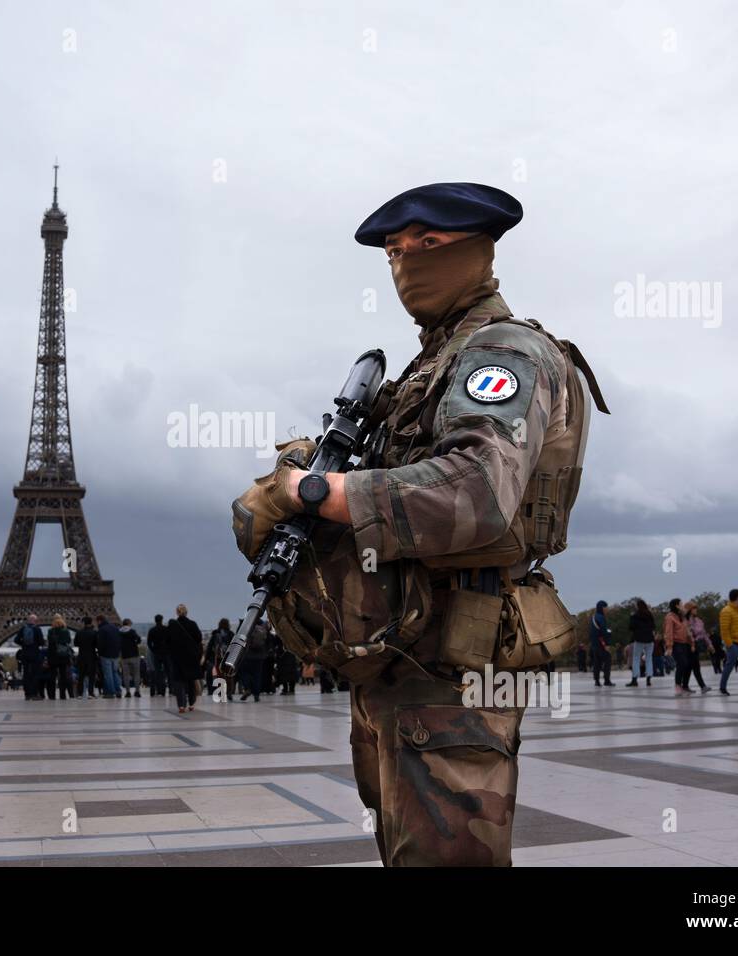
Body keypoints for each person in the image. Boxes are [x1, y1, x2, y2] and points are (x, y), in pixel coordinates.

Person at [230, 183, 607, 866]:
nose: (407, 263)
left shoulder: (503, 353)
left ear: (478, 249)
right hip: (405, 656)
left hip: (453, 669)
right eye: (395, 252)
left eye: (428, 246)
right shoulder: (434, 362)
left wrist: (311, 490)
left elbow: (477, 490)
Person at [166, 604, 202, 713]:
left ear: (177, 612)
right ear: (187, 612)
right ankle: (191, 703)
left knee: (179, 681)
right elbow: (199, 638)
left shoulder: (172, 626)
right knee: (191, 680)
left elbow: (168, 642)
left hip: (177, 657)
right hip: (191, 657)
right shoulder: (192, 624)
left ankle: (181, 705)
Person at [12, 613, 46, 701]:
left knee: (26, 674)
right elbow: (42, 642)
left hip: (25, 654)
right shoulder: (37, 629)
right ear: (35, 621)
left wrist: (23, 644)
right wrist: (36, 644)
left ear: (28, 620)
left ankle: (27, 694)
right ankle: (34, 694)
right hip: (34, 654)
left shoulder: (23, 628)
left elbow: (16, 640)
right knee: (35, 674)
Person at [239, 616, 269, 701]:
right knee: (257, 675)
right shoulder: (263, 627)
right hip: (259, 656)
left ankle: (247, 688)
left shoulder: (246, 626)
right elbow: (268, 641)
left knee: (244, 672)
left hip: (247, 655)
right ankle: (256, 695)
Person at [626, 599, 656, 686]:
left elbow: (631, 627)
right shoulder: (650, 615)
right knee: (649, 659)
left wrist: (631, 617)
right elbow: (653, 626)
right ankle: (648, 679)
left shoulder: (635, 615)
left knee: (636, 659)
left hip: (639, 639)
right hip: (649, 639)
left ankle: (634, 680)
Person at [46, 614, 75, 700]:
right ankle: (63, 695)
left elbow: (50, 642)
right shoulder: (66, 631)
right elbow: (69, 641)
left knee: (52, 676)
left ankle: (52, 695)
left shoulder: (51, 631)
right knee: (63, 676)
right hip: (63, 655)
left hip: (53, 655)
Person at [684, 601, 710, 693]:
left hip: (696, 645)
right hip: (689, 646)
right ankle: (702, 686)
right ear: (689, 610)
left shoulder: (698, 620)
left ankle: (685, 686)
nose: (696, 610)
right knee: (695, 666)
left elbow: (704, 633)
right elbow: (688, 634)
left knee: (691, 666)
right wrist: (692, 644)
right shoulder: (685, 621)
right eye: (694, 608)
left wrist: (709, 645)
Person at [206, 619, 236, 700]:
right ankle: (229, 693)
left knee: (220, 675)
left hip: (218, 658)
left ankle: (221, 692)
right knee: (229, 675)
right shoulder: (231, 634)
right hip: (229, 657)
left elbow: (209, 647)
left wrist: (207, 658)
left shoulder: (215, 634)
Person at [96, 614, 123, 698]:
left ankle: (110, 692)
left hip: (106, 654)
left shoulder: (102, 629)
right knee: (115, 673)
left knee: (108, 674)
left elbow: (101, 643)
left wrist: (100, 653)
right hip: (115, 654)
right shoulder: (115, 628)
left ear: (99, 621)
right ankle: (118, 691)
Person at [74, 616, 99, 699]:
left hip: (81, 656)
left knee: (81, 675)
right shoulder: (94, 632)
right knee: (91, 676)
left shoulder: (79, 632)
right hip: (91, 656)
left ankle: (80, 694)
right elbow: (97, 644)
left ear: (84, 623)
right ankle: (90, 693)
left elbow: (76, 643)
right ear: (91, 622)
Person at [590, 601, 613, 687]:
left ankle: (597, 681)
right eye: (606, 607)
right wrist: (607, 644)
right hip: (601, 644)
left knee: (597, 663)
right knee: (607, 660)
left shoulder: (593, 617)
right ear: (602, 608)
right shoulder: (601, 617)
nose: (607, 609)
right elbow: (603, 631)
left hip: (594, 644)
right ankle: (606, 680)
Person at [146, 614, 171, 697]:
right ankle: (171, 689)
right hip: (166, 653)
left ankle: (160, 690)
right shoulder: (166, 629)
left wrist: (153, 650)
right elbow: (170, 640)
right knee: (168, 672)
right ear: (162, 620)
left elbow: (149, 643)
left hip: (157, 653)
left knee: (158, 673)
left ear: (155, 620)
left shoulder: (152, 630)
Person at [119, 619, 142, 698]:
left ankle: (128, 692)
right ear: (128, 623)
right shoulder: (132, 631)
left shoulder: (119, 632)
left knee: (126, 675)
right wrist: (135, 644)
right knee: (136, 674)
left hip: (124, 656)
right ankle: (137, 691)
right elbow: (139, 639)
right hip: (134, 655)